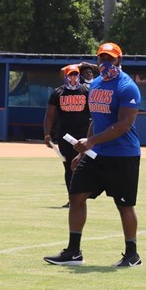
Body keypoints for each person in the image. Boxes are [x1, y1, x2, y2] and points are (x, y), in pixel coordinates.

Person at [44, 42, 144, 267]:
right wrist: (85, 151)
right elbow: (96, 120)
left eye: (111, 58)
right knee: (76, 195)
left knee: (124, 204)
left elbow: (124, 125)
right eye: (102, 58)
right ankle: (73, 252)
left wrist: (91, 142)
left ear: (119, 59)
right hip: (96, 153)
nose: (106, 62)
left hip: (123, 154)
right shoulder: (96, 84)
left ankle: (132, 255)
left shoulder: (127, 87)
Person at [43, 64, 92, 208]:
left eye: (75, 74)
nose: (73, 77)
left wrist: (91, 136)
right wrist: (47, 134)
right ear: (66, 76)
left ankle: (79, 198)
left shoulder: (86, 91)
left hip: (82, 135)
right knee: (67, 167)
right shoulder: (58, 93)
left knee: (78, 167)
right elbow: (49, 116)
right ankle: (72, 198)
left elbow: (94, 114)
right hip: (64, 136)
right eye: (70, 75)